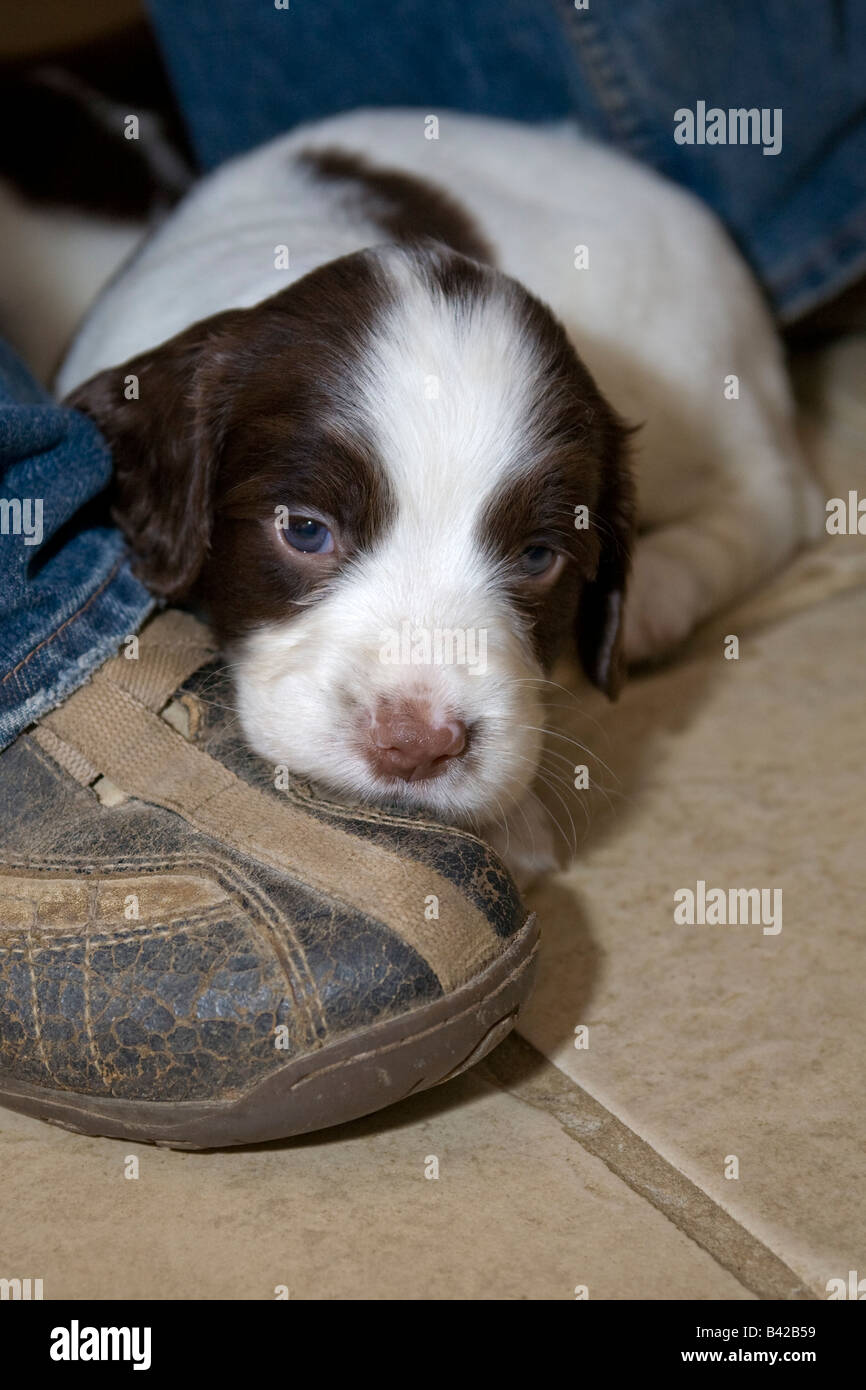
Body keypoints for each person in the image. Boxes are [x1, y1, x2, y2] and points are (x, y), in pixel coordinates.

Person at [0, 0, 863, 1144]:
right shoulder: (159, 422)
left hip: (586, 210)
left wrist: (697, 562)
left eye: (536, 553)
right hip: (358, 188)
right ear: (178, 484)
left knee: (724, 473)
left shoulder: (599, 316)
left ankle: (736, 488)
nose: (424, 721)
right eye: (309, 532)